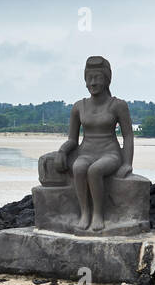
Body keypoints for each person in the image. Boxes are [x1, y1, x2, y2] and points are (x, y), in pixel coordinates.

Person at [51, 56, 134, 232]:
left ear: (107, 80)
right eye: (89, 78)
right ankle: (84, 212)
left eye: (97, 78)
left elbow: (128, 136)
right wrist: (62, 151)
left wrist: (127, 163)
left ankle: (98, 213)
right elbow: (72, 139)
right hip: (86, 152)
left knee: (95, 170)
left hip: (110, 153)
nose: (93, 83)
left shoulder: (118, 105)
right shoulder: (79, 106)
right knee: (79, 168)